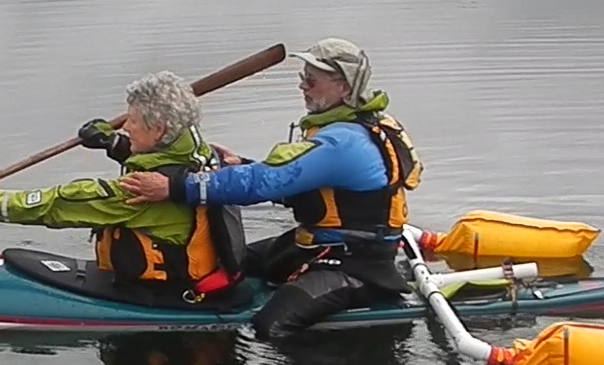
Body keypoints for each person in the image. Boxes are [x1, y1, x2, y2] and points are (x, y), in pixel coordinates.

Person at [118, 38, 422, 338]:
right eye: (303, 77)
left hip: (356, 266)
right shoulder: (348, 129)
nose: (303, 86)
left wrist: (175, 187)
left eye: (312, 80)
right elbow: (294, 182)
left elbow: (263, 183)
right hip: (314, 245)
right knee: (232, 262)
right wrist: (241, 163)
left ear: (344, 87)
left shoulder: (343, 143)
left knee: (269, 327)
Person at [0, 70, 246, 300]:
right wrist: (113, 142)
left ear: (159, 129)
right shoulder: (201, 152)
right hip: (192, 271)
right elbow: (159, 155)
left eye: (131, 121)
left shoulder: (144, 190)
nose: (125, 126)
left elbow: (64, 203)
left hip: (161, 291)